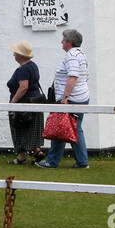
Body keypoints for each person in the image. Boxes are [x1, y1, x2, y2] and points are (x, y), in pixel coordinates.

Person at [37, 28, 89, 169]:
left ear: (69, 42)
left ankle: (54, 161)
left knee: (62, 128)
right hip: (81, 97)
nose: (61, 41)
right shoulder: (80, 54)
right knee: (71, 128)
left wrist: (65, 97)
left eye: (64, 39)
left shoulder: (72, 56)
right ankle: (80, 161)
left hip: (71, 99)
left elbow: (73, 77)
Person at [6, 41, 45, 164]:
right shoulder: (33, 65)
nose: (13, 55)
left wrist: (13, 102)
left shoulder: (23, 69)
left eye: (15, 53)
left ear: (21, 55)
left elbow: (23, 87)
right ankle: (35, 153)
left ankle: (24, 156)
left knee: (20, 129)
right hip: (34, 102)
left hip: (24, 104)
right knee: (29, 129)